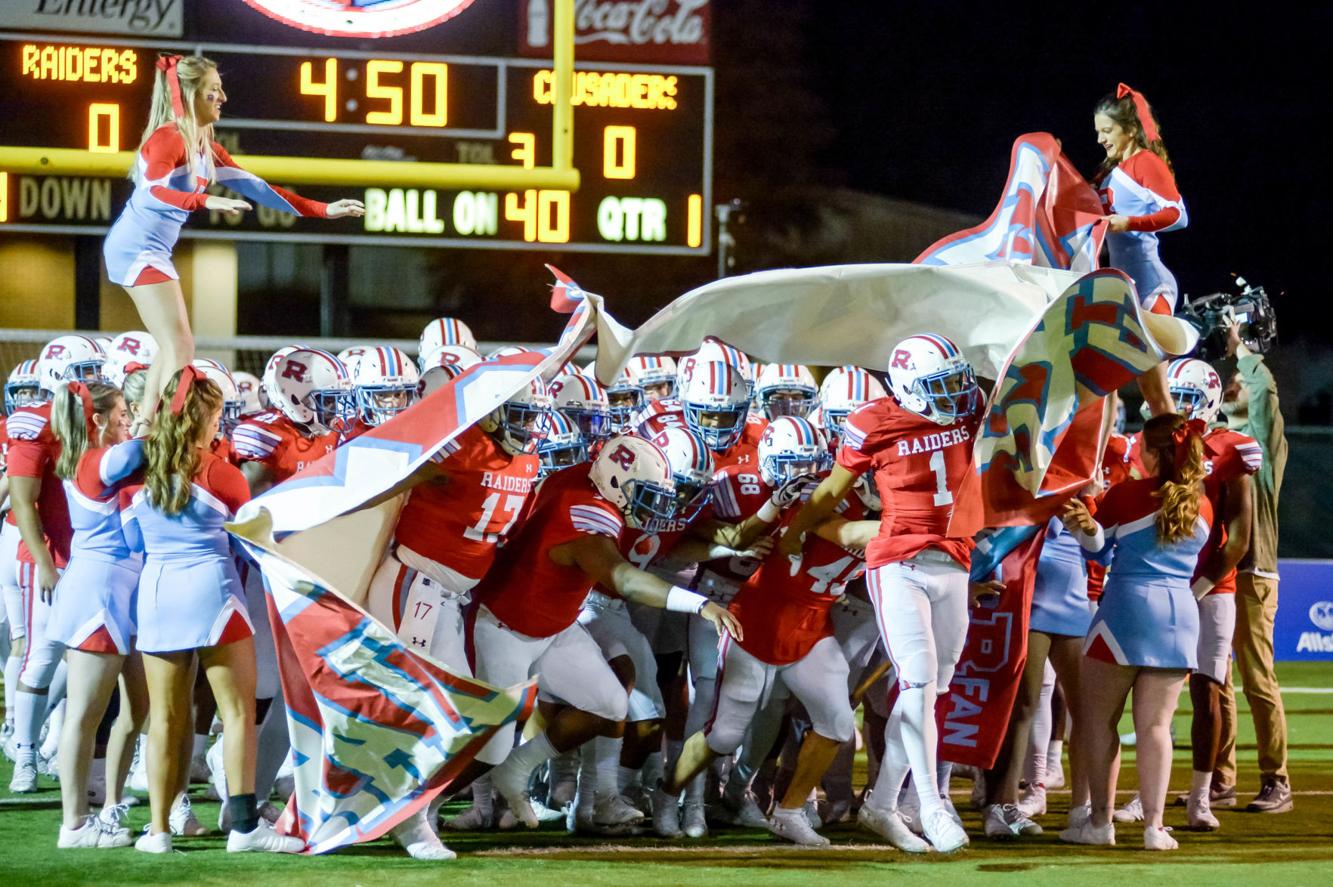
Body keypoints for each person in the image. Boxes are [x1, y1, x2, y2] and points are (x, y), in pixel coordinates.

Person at [782, 333, 984, 853]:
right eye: (941, 385)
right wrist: (794, 531)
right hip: (898, 563)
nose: (956, 394)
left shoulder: (969, 409)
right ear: (910, 388)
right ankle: (929, 806)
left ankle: (882, 805)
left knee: (930, 692)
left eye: (956, 382)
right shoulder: (875, 421)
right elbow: (832, 489)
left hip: (954, 560)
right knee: (916, 682)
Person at [103, 53, 363, 427]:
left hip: (150, 249)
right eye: (214, 90)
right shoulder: (167, 138)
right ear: (190, 95)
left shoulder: (204, 146)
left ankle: (145, 425)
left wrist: (323, 209)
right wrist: (206, 200)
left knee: (172, 343)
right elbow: (152, 193)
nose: (223, 98)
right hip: (135, 248)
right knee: (180, 345)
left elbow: (259, 188)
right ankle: (164, 429)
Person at [123, 367, 302, 854]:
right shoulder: (222, 473)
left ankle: (158, 830)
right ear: (203, 417)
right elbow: (251, 545)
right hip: (213, 592)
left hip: (157, 595)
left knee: (165, 719)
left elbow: (131, 540)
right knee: (238, 711)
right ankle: (244, 827)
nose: (221, 423)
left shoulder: (134, 470)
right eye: (217, 414)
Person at [1059, 413, 1212, 851]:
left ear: (1151, 453)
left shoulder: (1126, 493)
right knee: (1157, 728)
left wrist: (1084, 528)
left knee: (1098, 722)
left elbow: (1098, 551)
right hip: (1179, 616)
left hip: (1126, 611)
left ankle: (1100, 823)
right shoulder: (1202, 504)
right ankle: (1154, 828)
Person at [45, 381, 147, 848]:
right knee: (85, 715)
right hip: (98, 593)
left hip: (126, 590)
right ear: (98, 419)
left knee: (139, 708)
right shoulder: (95, 459)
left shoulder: (100, 455)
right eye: (122, 411)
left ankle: (112, 805)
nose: (128, 418)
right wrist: (156, 404)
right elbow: (142, 448)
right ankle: (74, 825)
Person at [1215, 319, 1292, 813]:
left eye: (1238, 382)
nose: (1234, 384)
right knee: (1215, 678)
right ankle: (1220, 779)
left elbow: (1262, 391)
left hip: (1253, 572)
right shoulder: (1222, 440)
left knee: (1257, 679)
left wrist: (1242, 348)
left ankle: (1276, 779)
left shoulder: (1260, 445)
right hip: (1219, 575)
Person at [1092, 83, 1187, 416]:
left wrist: (1128, 222)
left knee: (1155, 394)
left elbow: (1179, 215)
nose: (1100, 139)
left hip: (1148, 287)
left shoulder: (1146, 162)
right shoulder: (1109, 171)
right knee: (1103, 388)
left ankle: (1179, 452)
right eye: (1097, 132)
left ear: (1130, 130)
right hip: (1119, 288)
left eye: (1107, 131)